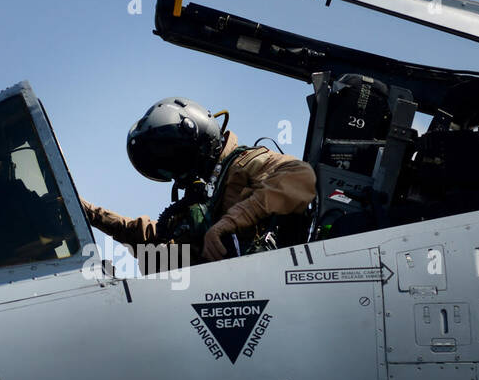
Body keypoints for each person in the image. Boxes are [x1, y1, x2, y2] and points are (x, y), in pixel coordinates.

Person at [80, 98, 316, 264]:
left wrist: (227, 224)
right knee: (160, 258)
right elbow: (153, 235)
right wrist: (90, 214)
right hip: (230, 291)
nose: (177, 175)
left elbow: (299, 176)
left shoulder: (244, 163)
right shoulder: (202, 196)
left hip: (273, 279)